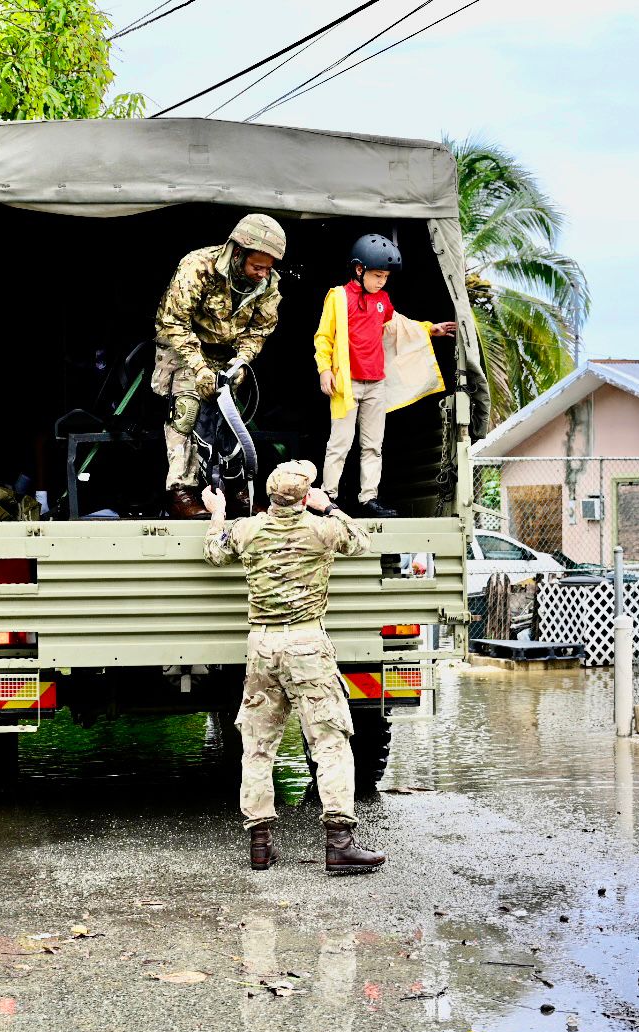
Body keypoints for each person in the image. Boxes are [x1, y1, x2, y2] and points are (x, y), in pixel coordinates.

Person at [203, 459, 386, 875]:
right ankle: (339, 845)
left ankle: (261, 845)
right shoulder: (322, 530)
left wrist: (217, 515)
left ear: (269, 495)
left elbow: (214, 553)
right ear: (306, 496)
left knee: (258, 745)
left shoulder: (247, 530)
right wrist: (330, 507)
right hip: (307, 644)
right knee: (330, 742)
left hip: (262, 645)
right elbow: (361, 541)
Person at [154, 214, 286, 520]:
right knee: (187, 410)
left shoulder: (267, 283)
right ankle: (180, 491)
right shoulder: (198, 267)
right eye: (257, 266)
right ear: (237, 253)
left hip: (226, 353)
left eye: (268, 267)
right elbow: (174, 322)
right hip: (182, 346)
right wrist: (200, 369)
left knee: (228, 417)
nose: (263, 274)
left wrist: (241, 362)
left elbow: (260, 330)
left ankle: (236, 488)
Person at [314, 233, 456, 517]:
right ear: (359, 269)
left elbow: (399, 325)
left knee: (373, 445)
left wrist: (430, 328)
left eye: (385, 277)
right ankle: (327, 498)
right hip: (347, 383)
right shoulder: (338, 297)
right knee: (340, 443)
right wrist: (325, 370)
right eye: (377, 275)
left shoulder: (383, 300)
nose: (381, 281)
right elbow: (323, 337)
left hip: (375, 383)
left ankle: (368, 500)